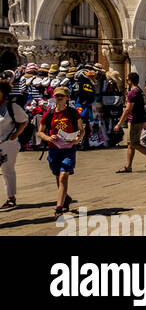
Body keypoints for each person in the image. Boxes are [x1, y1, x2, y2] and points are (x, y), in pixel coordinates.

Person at [40, 83, 86, 217]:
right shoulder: (49, 113)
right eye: (57, 95)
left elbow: (81, 130)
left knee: (63, 176)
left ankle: (58, 208)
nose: (59, 98)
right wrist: (49, 138)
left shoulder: (72, 112)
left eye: (61, 95)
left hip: (69, 149)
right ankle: (66, 199)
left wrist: (77, 139)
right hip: (54, 149)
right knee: (57, 176)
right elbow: (40, 132)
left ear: (67, 97)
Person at [116, 72, 146, 172]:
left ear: (130, 81)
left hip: (135, 121)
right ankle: (128, 166)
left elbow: (128, 110)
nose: (126, 81)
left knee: (135, 144)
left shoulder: (132, 93)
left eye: (127, 79)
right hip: (140, 120)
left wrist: (119, 123)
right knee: (131, 144)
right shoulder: (139, 91)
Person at [0, 78, 29, 210]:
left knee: (7, 170)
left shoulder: (11, 107)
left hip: (8, 144)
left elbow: (24, 121)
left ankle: (11, 198)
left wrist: (16, 134)